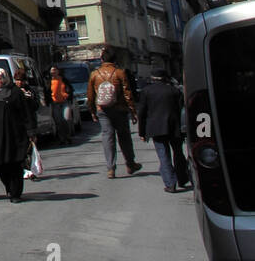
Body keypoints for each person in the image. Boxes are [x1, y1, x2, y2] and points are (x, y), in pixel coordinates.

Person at [0, 67, 37, 203]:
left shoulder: (15, 93)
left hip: (14, 135)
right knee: (0, 165)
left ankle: (16, 193)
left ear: (5, 79)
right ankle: (9, 186)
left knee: (15, 164)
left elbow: (25, 114)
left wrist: (30, 132)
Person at [86, 47, 142, 179]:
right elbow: (127, 94)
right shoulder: (120, 73)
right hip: (120, 109)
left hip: (102, 109)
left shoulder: (94, 74)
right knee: (124, 137)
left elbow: (90, 95)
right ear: (115, 59)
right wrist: (133, 111)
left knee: (107, 136)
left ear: (101, 59)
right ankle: (130, 163)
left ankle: (110, 168)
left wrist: (93, 111)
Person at [137, 67, 192, 193]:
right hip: (175, 127)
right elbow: (181, 110)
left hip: (156, 128)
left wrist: (142, 132)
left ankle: (170, 183)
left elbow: (142, 113)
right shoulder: (174, 91)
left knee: (163, 155)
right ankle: (182, 179)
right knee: (178, 153)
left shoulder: (146, 91)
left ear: (152, 78)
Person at [49, 66, 74, 145]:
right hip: (55, 103)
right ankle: (61, 138)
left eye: (55, 70)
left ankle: (68, 136)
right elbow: (47, 91)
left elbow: (70, 89)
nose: (54, 72)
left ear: (58, 71)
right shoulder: (49, 81)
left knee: (66, 119)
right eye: (52, 70)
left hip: (64, 102)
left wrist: (68, 95)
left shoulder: (63, 80)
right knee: (58, 121)